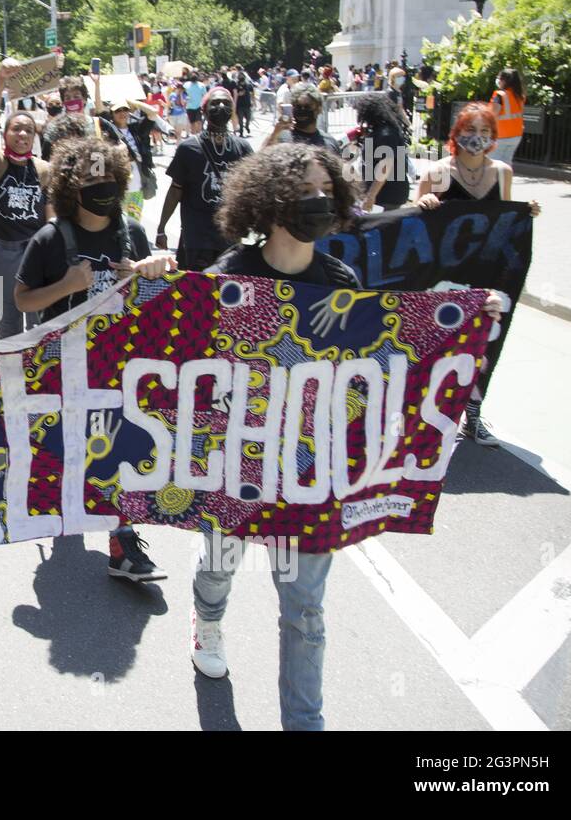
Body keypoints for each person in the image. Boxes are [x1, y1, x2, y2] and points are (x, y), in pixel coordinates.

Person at [190, 143, 362, 730]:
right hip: (236, 462)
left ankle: (304, 723)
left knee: (305, 610)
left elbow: (380, 363)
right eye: (303, 190)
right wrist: (161, 285)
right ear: (269, 201)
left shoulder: (342, 282)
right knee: (219, 567)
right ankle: (208, 619)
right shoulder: (231, 276)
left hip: (310, 470)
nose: (317, 201)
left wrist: (462, 314)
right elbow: (184, 357)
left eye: (324, 190)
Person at [14, 136, 174, 582]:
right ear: (71, 186)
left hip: (119, 367)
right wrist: (67, 285)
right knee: (71, 449)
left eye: (107, 177)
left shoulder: (132, 233)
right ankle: (64, 500)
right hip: (62, 367)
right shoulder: (50, 238)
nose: (100, 186)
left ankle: (123, 545)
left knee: (117, 450)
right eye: (90, 179)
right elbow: (24, 300)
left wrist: (156, 270)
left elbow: (158, 302)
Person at [414, 102, 541, 446]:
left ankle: (473, 415)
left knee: (485, 344)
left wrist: (523, 213)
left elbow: (504, 222)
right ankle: (433, 415)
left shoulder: (502, 172)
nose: (478, 138)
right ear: (457, 134)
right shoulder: (437, 172)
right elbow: (408, 229)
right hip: (442, 281)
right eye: (471, 131)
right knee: (441, 345)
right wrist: (422, 204)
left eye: (485, 132)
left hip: (486, 278)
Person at [0, 60, 51, 338]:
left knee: (38, 320)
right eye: (16, 128)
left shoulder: (43, 169)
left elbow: (50, 216)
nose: (22, 134)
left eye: (28, 130)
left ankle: (38, 375)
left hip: (35, 251)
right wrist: (0, 81)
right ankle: (11, 377)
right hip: (1, 252)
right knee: (9, 320)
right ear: (5, 134)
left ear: (34, 137)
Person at [154, 86, 254, 269]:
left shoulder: (243, 148)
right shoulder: (188, 148)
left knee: (227, 295)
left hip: (229, 240)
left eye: (226, 102)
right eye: (215, 103)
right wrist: (161, 228)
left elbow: (251, 192)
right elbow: (175, 191)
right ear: (204, 110)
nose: (221, 106)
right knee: (194, 293)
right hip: (196, 240)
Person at [350, 92, 412, 211]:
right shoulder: (381, 131)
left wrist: (371, 196)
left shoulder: (386, 134)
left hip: (386, 195)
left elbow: (384, 167)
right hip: (384, 193)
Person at [264, 85, 340, 155]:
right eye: (298, 107)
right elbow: (260, 160)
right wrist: (275, 134)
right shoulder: (280, 138)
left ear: (319, 109)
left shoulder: (330, 143)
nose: (302, 110)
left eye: (307, 107)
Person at [490, 68, 526, 167]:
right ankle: (505, 182)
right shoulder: (520, 96)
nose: (498, 80)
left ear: (504, 81)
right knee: (506, 163)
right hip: (516, 135)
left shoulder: (500, 95)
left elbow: (492, 115)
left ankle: (495, 182)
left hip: (501, 135)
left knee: (493, 164)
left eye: (499, 78)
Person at [183, 70, 207, 135]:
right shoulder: (186, 85)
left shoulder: (202, 85)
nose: (193, 76)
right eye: (192, 74)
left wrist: (205, 105)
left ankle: (199, 134)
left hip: (199, 106)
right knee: (192, 122)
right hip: (189, 107)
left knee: (199, 121)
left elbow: (205, 96)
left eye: (195, 74)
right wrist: (185, 99)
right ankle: (194, 136)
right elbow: (183, 94)